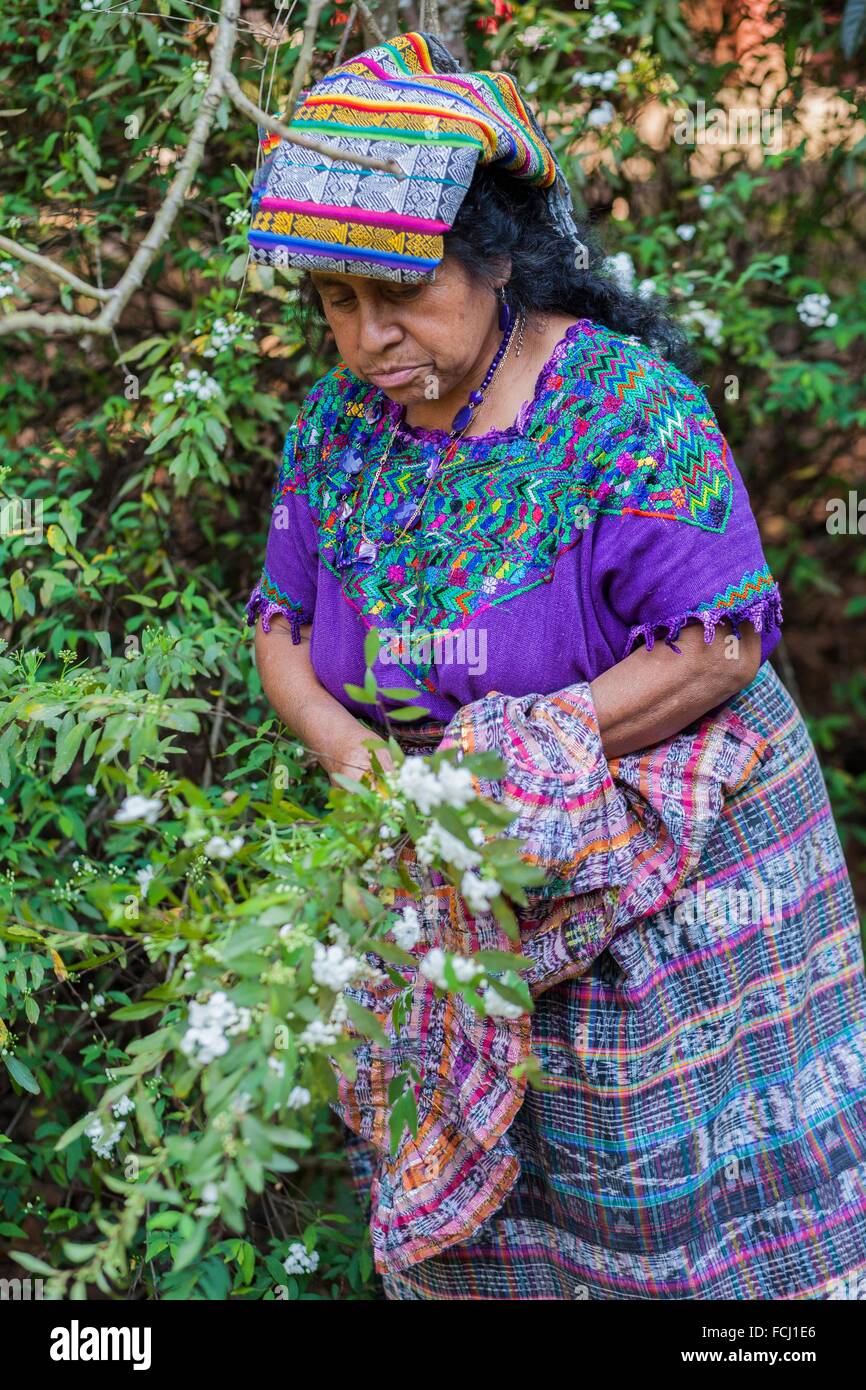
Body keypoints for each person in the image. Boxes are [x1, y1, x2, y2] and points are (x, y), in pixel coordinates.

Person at [244, 30, 866, 1299]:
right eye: (334, 301)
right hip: (452, 866)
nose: (366, 339)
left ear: (496, 260)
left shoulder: (615, 410)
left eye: (400, 291)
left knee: (665, 1207)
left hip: (668, 898)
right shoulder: (333, 436)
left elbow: (719, 648)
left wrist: (513, 756)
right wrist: (360, 760)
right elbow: (281, 632)